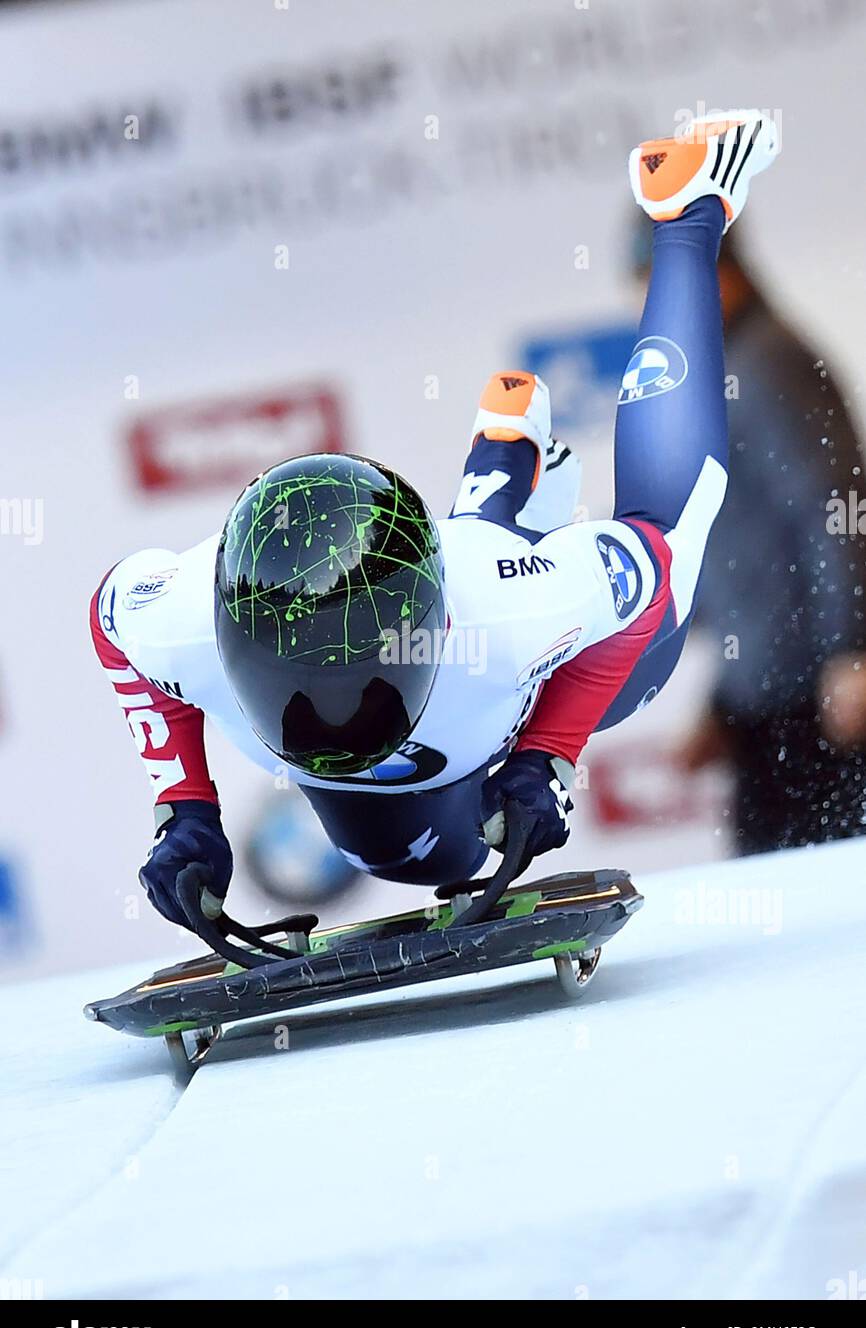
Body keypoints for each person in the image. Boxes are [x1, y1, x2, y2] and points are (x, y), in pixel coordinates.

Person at [90, 110, 778, 932]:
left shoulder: (510, 608)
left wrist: (543, 754)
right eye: (308, 682)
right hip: (471, 654)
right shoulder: (174, 622)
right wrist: (186, 810)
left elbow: (654, 564)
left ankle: (689, 213)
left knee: (677, 532)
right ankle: (500, 471)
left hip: (502, 650)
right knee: (416, 855)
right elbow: (110, 624)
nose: (338, 713)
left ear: (436, 625)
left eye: (356, 674)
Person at [632, 206, 866, 853]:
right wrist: (724, 700)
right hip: (769, 704)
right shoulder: (726, 367)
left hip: (821, 706)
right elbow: (753, 565)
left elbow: (835, 508)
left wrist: (852, 652)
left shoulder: (767, 362)